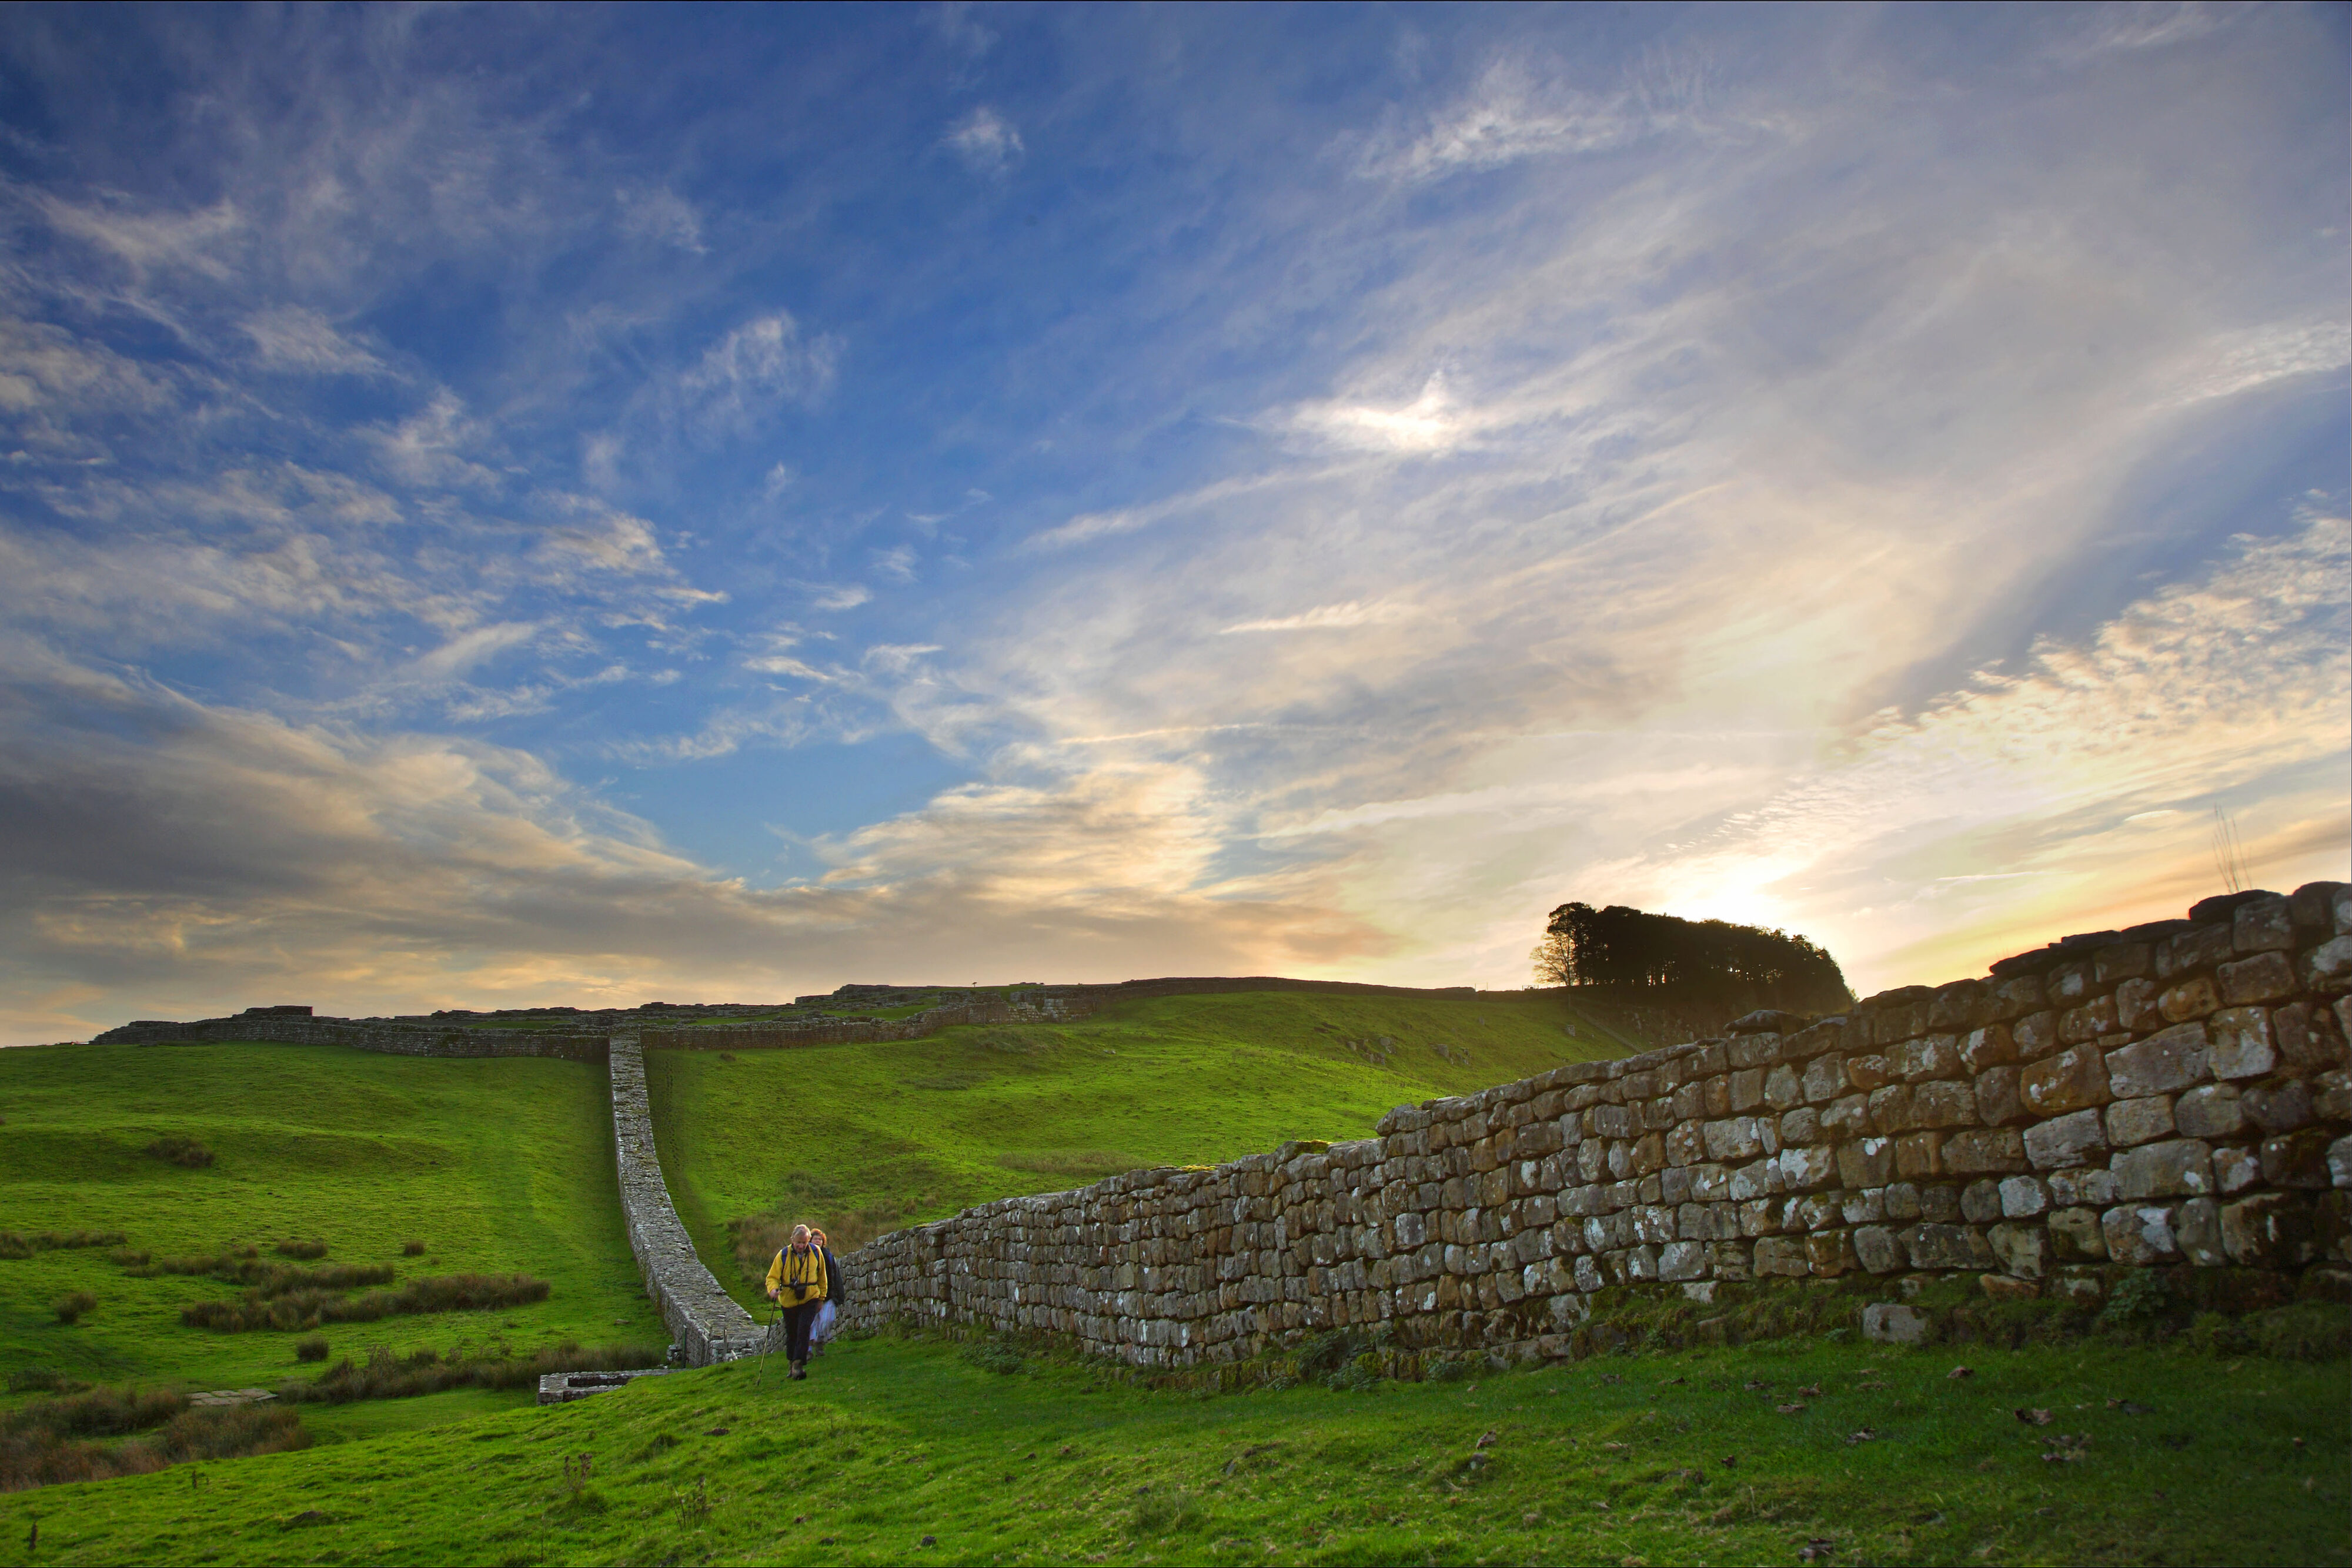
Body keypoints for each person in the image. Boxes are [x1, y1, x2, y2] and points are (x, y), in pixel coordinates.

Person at [765, 1224, 828, 1380]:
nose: (801, 1246)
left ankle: (798, 1365)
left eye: (804, 1243)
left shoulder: (816, 1252)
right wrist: (773, 1290)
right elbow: (772, 1277)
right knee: (792, 1333)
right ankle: (792, 1363)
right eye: (798, 1242)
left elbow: (822, 1276)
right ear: (792, 1240)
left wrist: (822, 1298)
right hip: (789, 1300)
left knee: (804, 1329)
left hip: (810, 1297)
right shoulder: (783, 1255)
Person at [807, 1228, 844, 1358]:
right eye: (815, 1239)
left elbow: (835, 1275)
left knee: (827, 1320)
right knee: (810, 1323)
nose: (818, 1241)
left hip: (827, 1295)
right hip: (809, 1296)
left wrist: (839, 1293)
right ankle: (809, 1350)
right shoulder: (805, 1255)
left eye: (820, 1239)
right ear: (810, 1240)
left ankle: (820, 1341)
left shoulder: (829, 1256)